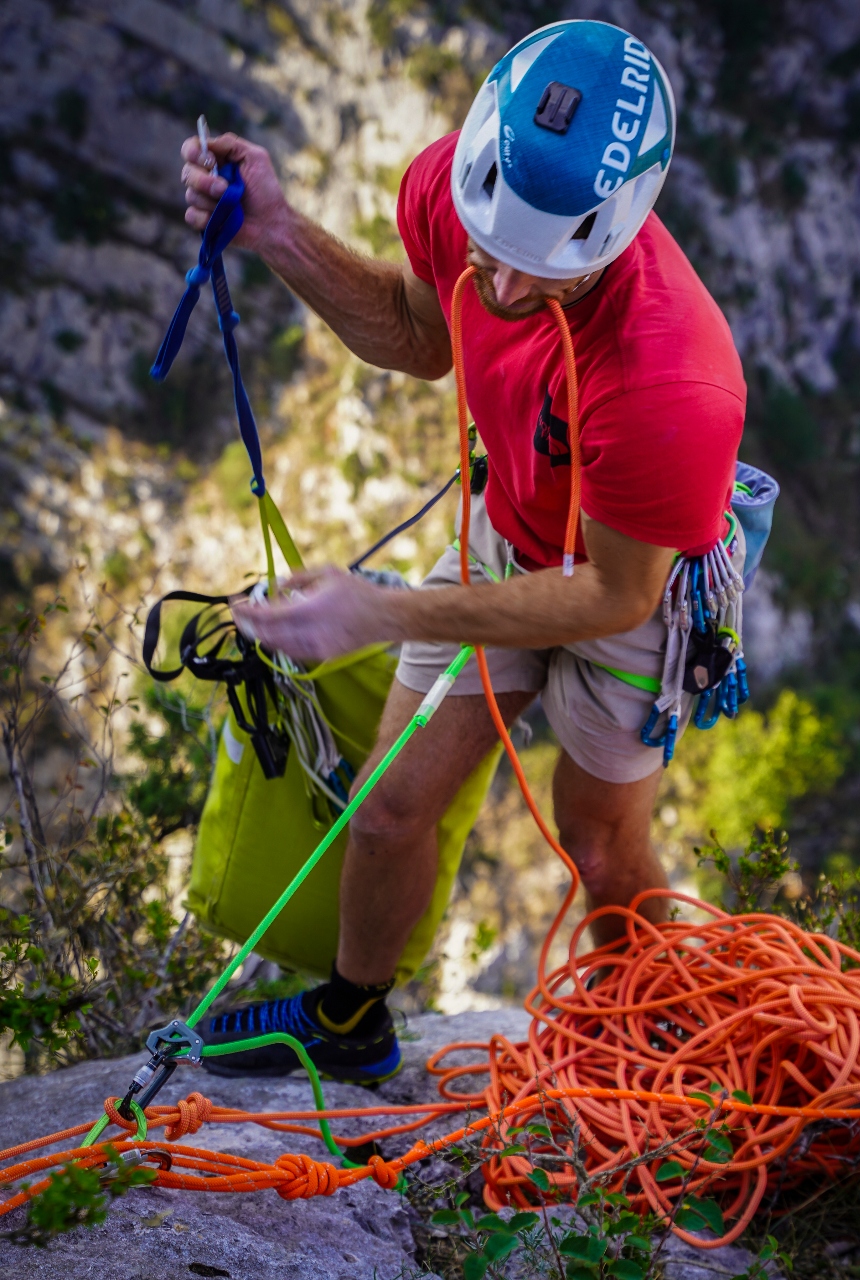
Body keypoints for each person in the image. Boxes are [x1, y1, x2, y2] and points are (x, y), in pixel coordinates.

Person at [180, 19, 746, 1083]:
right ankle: (350, 1021)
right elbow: (419, 332)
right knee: (389, 806)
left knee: (598, 846)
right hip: (509, 528)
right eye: (489, 253)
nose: (497, 287)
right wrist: (280, 233)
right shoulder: (454, 190)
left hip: (637, 585)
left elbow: (614, 594)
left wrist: (383, 608)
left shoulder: (674, 379)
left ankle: (682, 1048)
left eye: (539, 277)